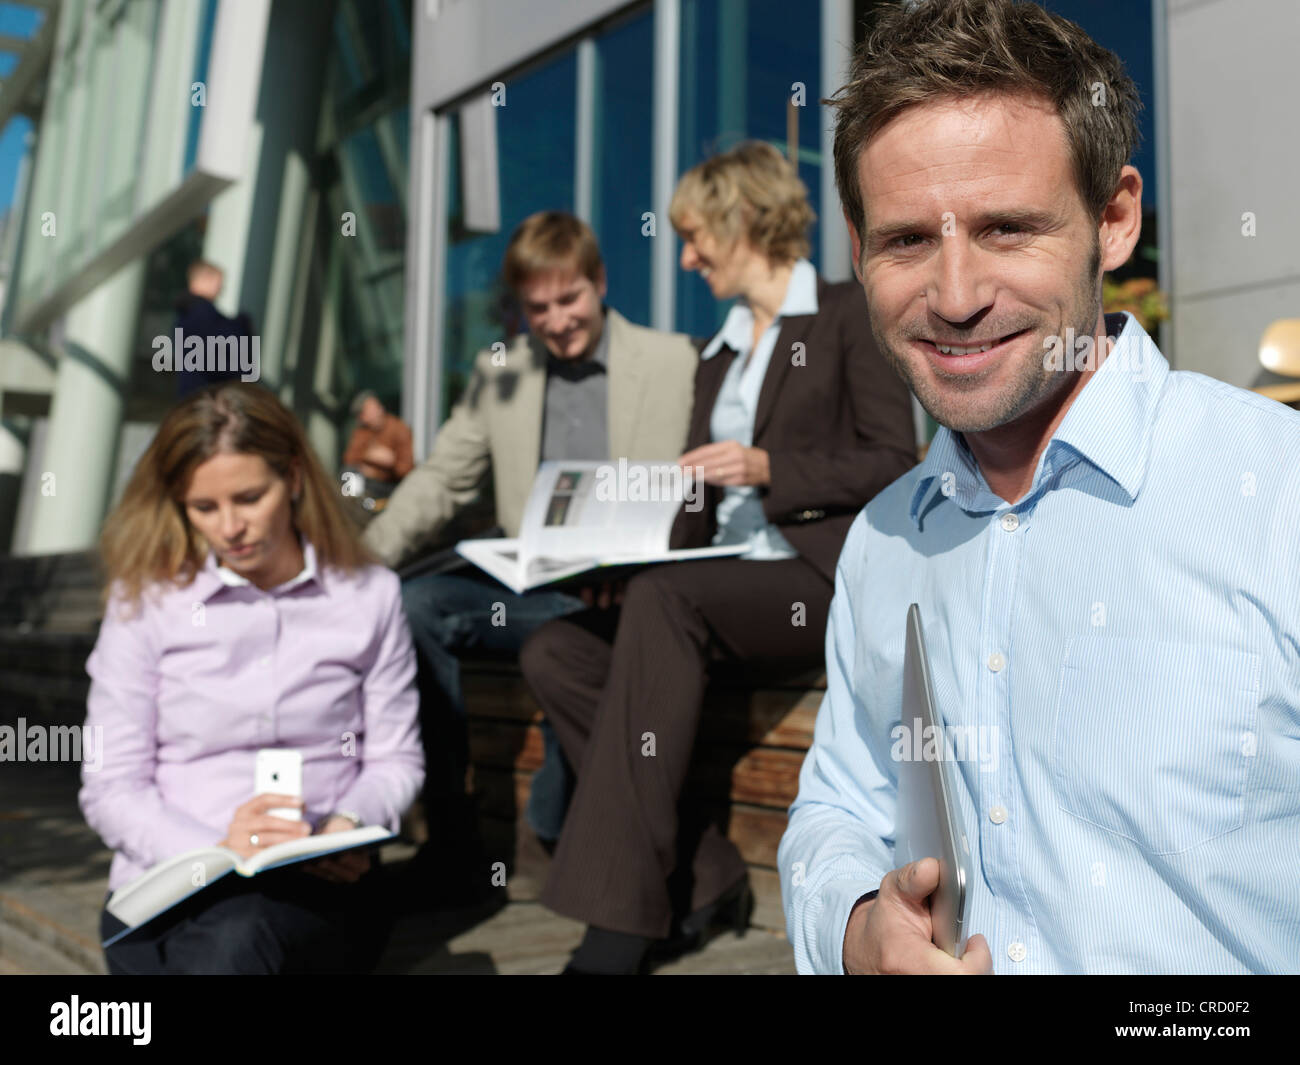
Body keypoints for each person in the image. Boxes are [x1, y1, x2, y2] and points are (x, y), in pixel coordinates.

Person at [779, 0, 1300, 975]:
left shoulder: (1278, 496)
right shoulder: (882, 544)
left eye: (1006, 228)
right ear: (856, 250)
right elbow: (838, 807)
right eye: (904, 243)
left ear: (1113, 220)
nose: (956, 294)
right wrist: (858, 931)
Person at [519, 141, 918, 974]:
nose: (688, 257)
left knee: (668, 602)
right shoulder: (718, 351)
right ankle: (706, 872)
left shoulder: (847, 315)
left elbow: (893, 459)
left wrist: (771, 468)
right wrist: (609, 563)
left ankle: (619, 926)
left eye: (698, 237)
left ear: (746, 222)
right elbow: (696, 504)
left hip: (814, 576)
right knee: (555, 648)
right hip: (714, 582)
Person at [361, 211, 698, 888]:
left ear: (600, 282)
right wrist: (359, 564)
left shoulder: (676, 361)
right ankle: (451, 837)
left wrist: (644, 570)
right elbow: (440, 481)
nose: (555, 320)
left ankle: (555, 826)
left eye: (568, 299)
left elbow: (702, 488)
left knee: (580, 653)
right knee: (411, 603)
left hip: (633, 594)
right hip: (534, 590)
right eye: (536, 307)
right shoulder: (500, 377)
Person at [81, 383, 424, 974]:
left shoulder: (369, 596)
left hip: (313, 887)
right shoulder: (145, 603)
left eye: (249, 497)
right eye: (204, 508)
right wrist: (216, 851)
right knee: (227, 945)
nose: (230, 528)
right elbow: (111, 787)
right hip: (165, 882)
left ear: (293, 478)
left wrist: (350, 823)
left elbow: (397, 761)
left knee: (240, 940)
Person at [174, 260, 254, 398]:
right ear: (205, 280)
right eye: (218, 282)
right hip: (207, 395)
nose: (221, 288)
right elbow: (211, 358)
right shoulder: (201, 313)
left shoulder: (188, 311)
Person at [342, 391, 415, 503]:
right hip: (367, 482)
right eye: (368, 412)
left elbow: (406, 468)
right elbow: (349, 458)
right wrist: (369, 455)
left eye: (375, 408)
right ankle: (350, 507)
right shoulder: (363, 431)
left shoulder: (400, 429)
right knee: (348, 475)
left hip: (391, 485)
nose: (377, 412)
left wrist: (389, 463)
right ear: (362, 417)